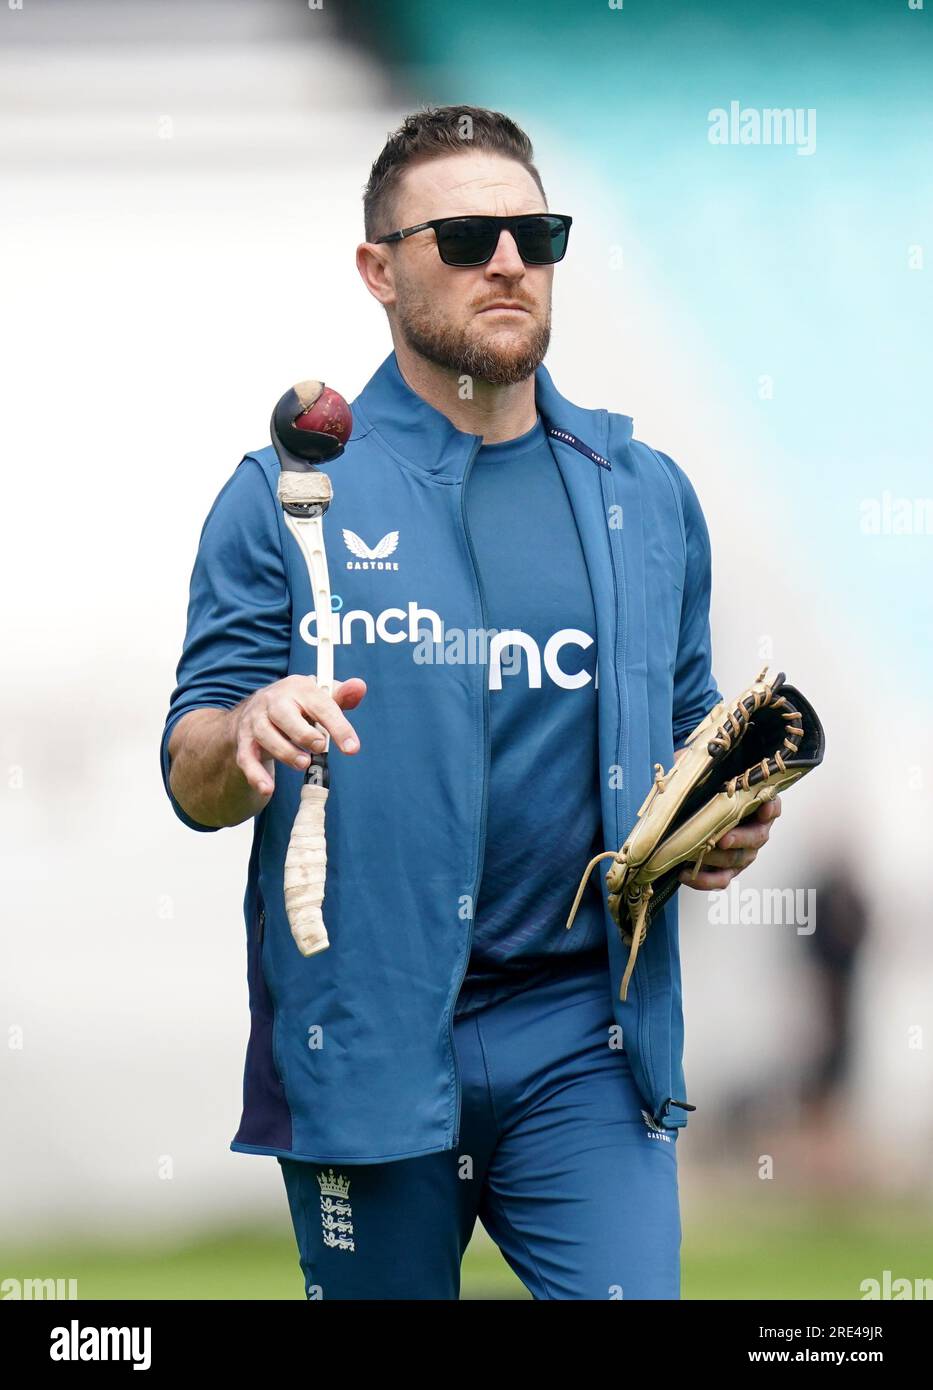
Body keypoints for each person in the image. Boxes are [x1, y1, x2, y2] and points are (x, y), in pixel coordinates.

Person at [160, 105, 781, 1300]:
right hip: (372, 1041)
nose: (509, 259)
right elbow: (190, 768)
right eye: (466, 236)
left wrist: (729, 822)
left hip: (584, 1041)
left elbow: (694, 742)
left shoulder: (645, 494)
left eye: (535, 232)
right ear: (378, 270)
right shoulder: (288, 495)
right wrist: (245, 731)